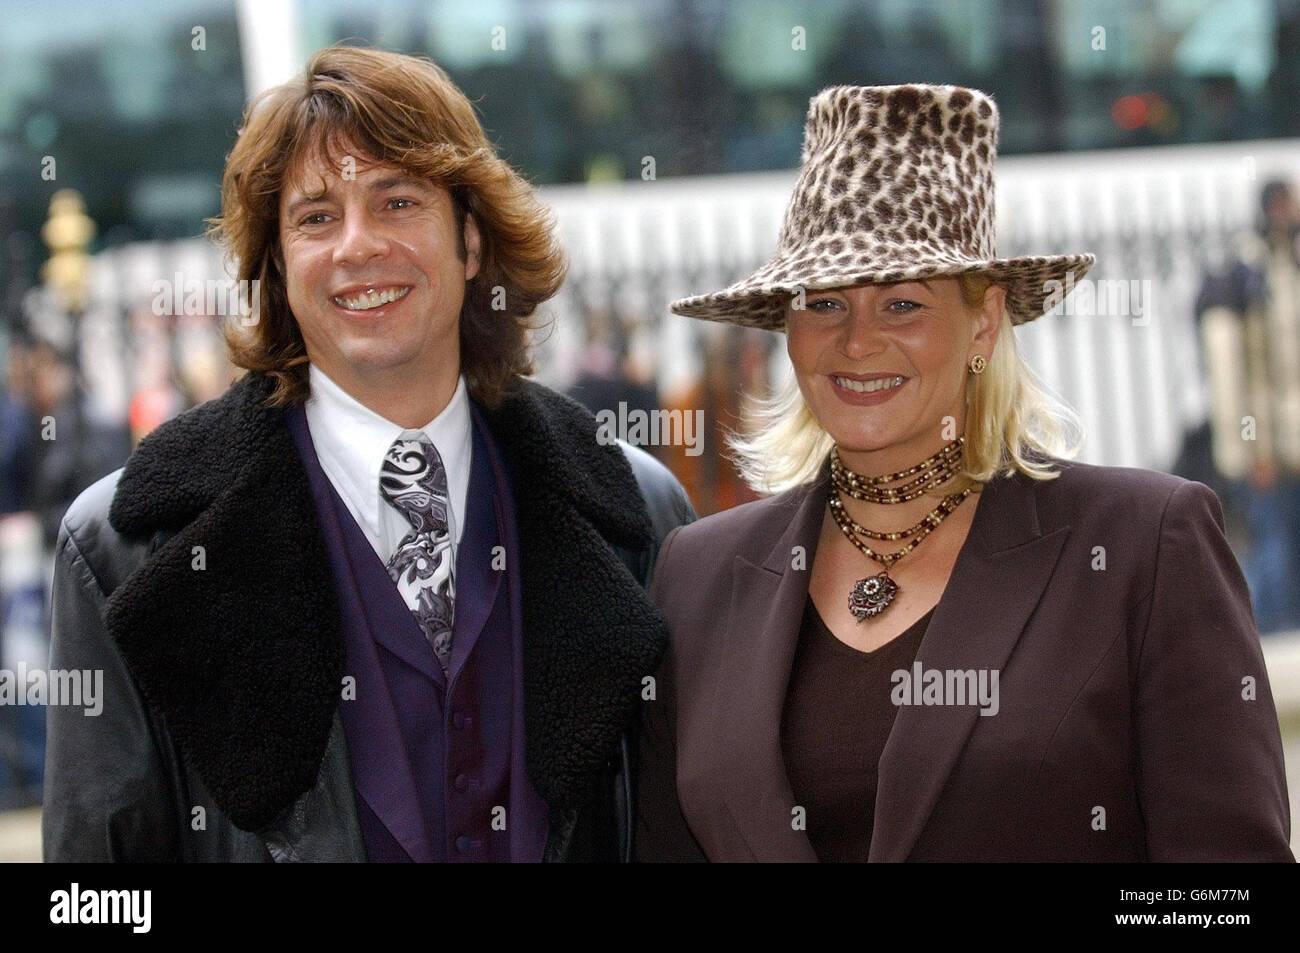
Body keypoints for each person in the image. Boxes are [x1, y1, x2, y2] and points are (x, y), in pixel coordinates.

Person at [43, 45, 694, 863]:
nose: (358, 246)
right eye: (316, 216)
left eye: (397, 201)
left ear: (469, 241)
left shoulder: (639, 513)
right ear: (278, 268)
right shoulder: (123, 548)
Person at [635, 84, 1293, 862]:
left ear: (983, 324)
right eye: (825, 303)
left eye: (904, 303)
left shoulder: (1144, 545)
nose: (857, 341)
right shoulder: (696, 574)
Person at [1198, 179, 1300, 633]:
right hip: (1265, 445)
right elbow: (1232, 381)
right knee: (1271, 546)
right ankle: (1266, 649)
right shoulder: (1240, 274)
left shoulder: (1285, 264)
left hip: (1290, 439)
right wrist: (1252, 449)